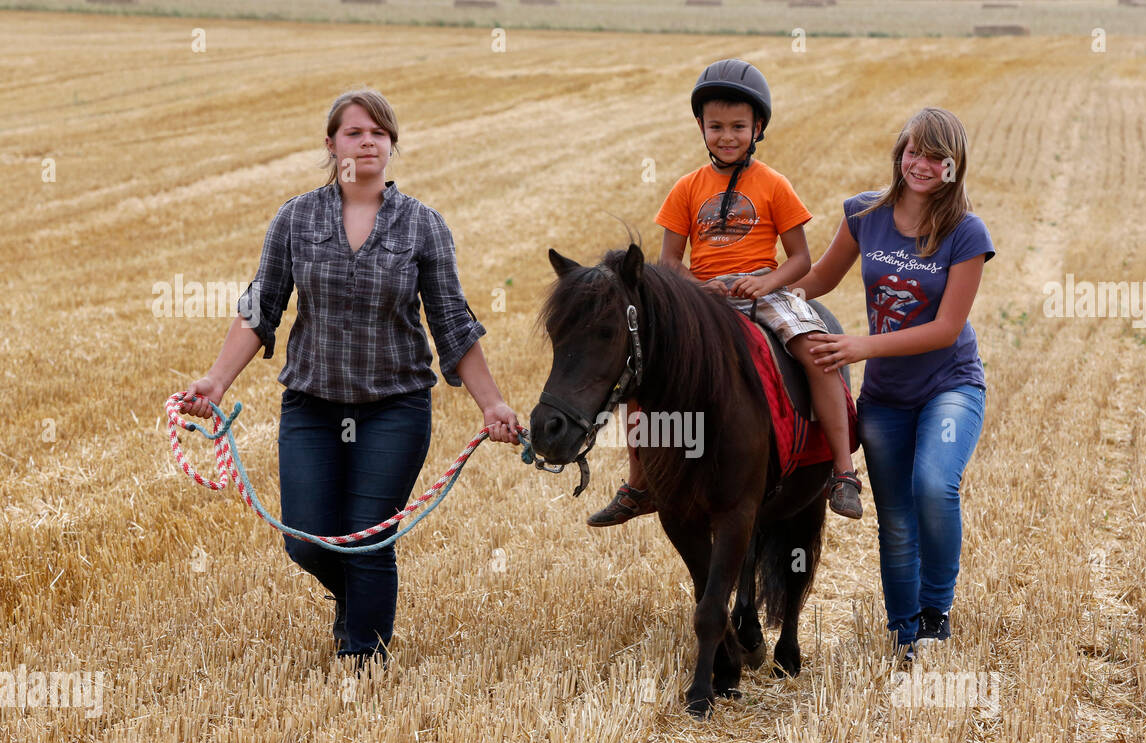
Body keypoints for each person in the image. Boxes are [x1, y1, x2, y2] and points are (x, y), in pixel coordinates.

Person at [178, 88, 520, 671]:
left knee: (366, 541)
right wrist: (215, 383)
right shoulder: (295, 218)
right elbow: (262, 307)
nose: (367, 142)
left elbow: (452, 322)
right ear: (331, 143)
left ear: (391, 146)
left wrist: (492, 405)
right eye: (354, 132)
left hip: (394, 408)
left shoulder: (423, 226)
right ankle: (361, 604)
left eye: (378, 133)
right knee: (304, 539)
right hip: (311, 405)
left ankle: (362, 657)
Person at [586, 58, 862, 527]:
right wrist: (698, 287)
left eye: (738, 126)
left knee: (817, 354)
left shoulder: (775, 185)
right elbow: (669, 263)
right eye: (716, 126)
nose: (727, 136)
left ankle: (842, 471)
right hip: (699, 300)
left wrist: (766, 282)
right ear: (700, 126)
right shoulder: (686, 188)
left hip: (766, 292)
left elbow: (800, 260)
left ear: (758, 128)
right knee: (641, 368)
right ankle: (638, 483)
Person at [799, 107, 994, 660]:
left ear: (954, 166)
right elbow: (819, 279)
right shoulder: (865, 214)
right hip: (885, 398)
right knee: (896, 519)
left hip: (949, 384)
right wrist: (763, 291)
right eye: (914, 151)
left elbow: (945, 329)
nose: (922, 164)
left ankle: (936, 616)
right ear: (899, 154)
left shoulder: (966, 232)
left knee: (933, 486)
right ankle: (905, 634)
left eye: (936, 156)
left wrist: (860, 345)